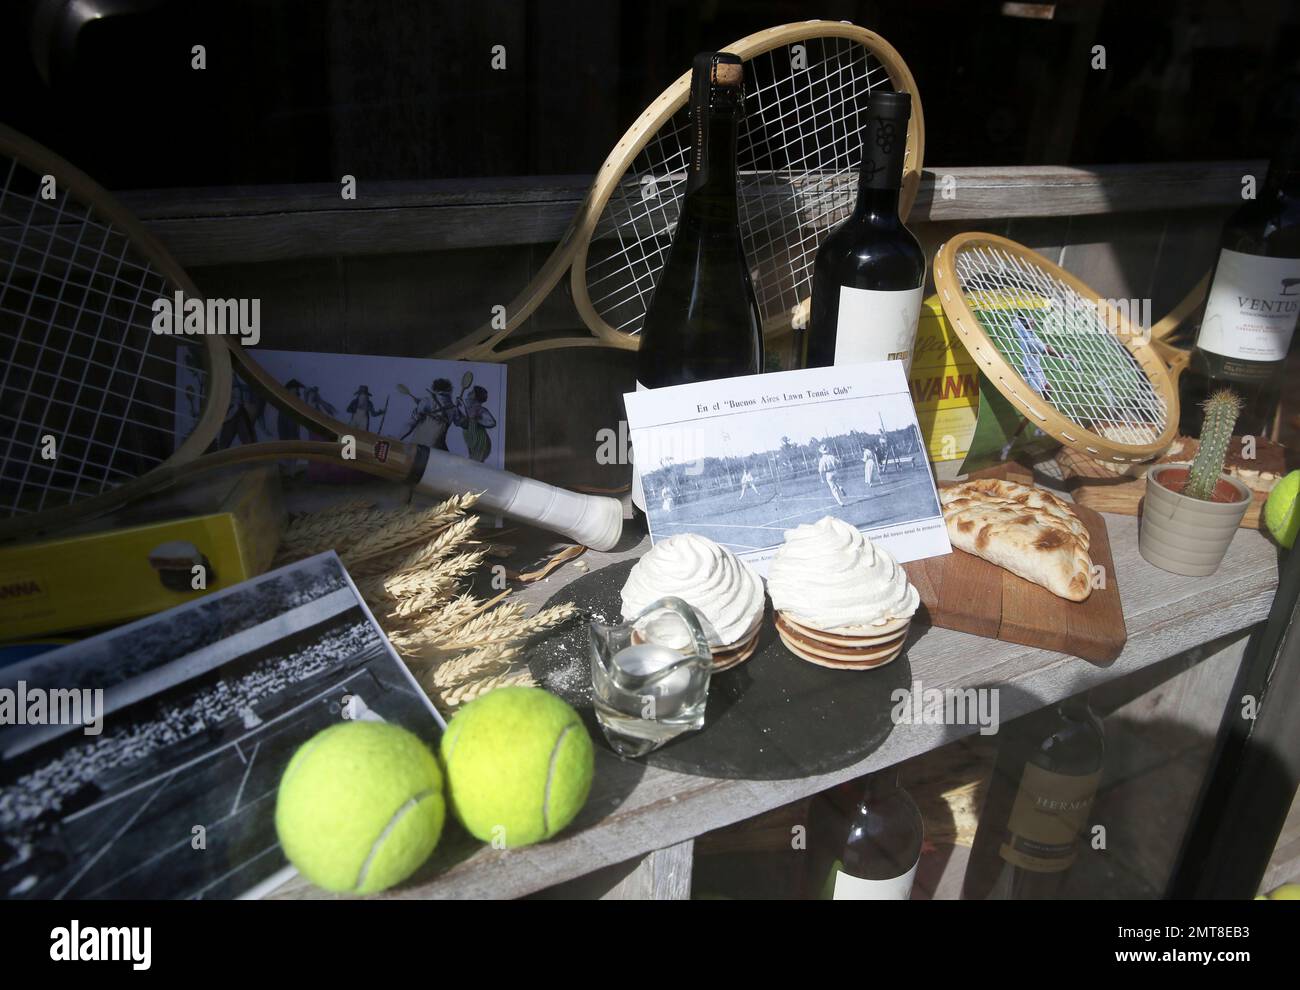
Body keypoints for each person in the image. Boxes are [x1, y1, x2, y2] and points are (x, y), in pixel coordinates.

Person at [459, 385, 497, 463]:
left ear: (476, 396)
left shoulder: (479, 409)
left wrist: (476, 418)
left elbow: (492, 422)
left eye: (472, 392)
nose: (469, 393)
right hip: (471, 442)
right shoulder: (468, 408)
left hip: (480, 443)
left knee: (475, 465)